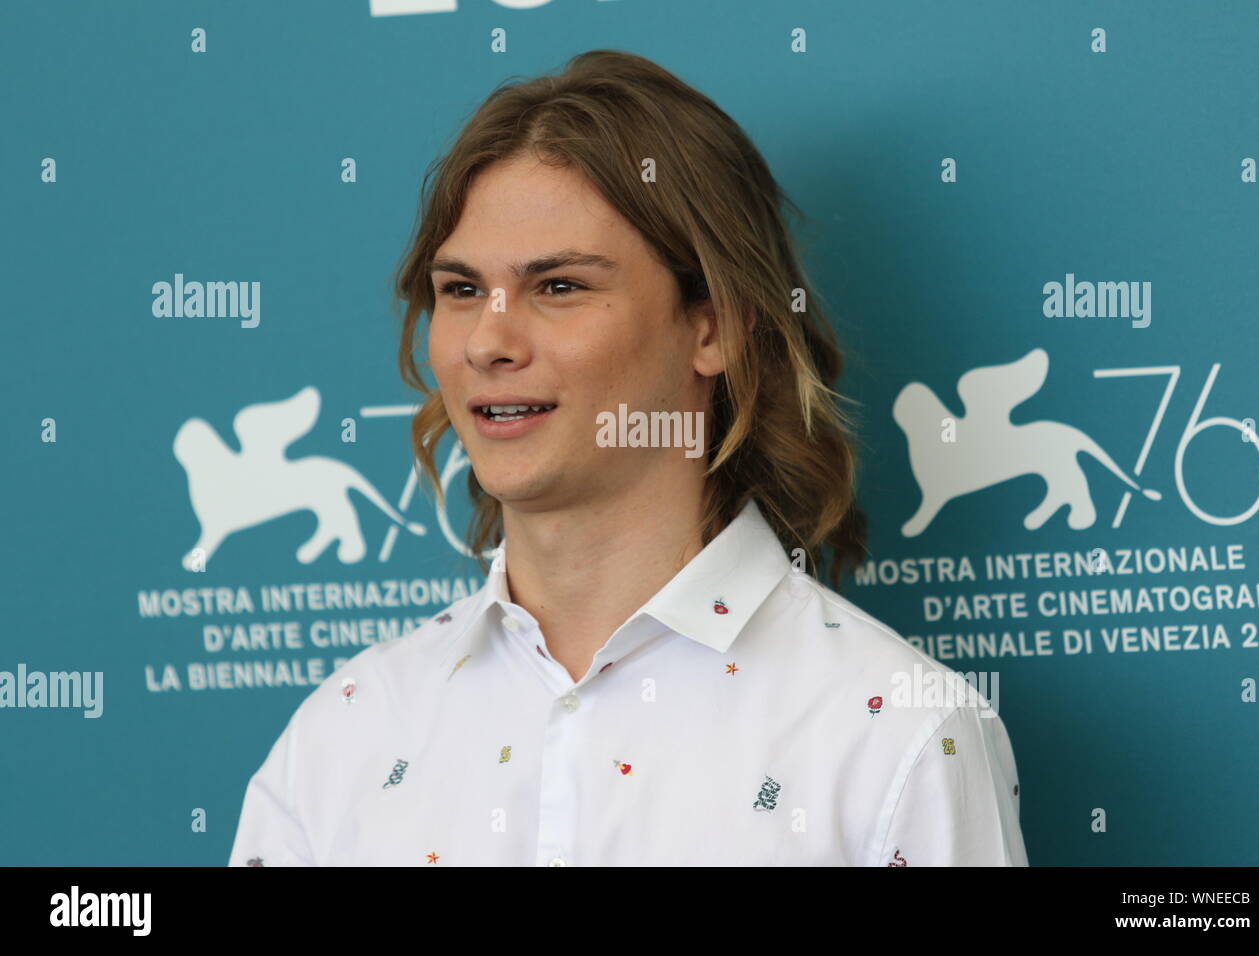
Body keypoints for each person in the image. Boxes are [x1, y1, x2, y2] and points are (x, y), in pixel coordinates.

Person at [228, 49, 1028, 866]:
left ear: (714, 327)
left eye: (560, 286)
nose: (489, 342)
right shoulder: (338, 742)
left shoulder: (896, 735)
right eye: (461, 290)